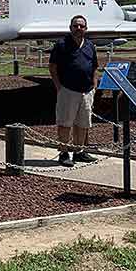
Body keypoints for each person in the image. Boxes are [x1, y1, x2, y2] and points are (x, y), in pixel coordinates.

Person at [49, 15, 99, 167]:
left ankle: (79, 152)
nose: (78, 28)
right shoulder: (61, 45)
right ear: (70, 28)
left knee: (83, 123)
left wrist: (94, 87)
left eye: (81, 26)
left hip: (87, 91)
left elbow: (94, 67)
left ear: (86, 28)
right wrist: (59, 87)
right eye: (75, 26)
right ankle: (64, 153)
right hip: (68, 90)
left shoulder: (90, 46)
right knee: (65, 123)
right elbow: (53, 67)